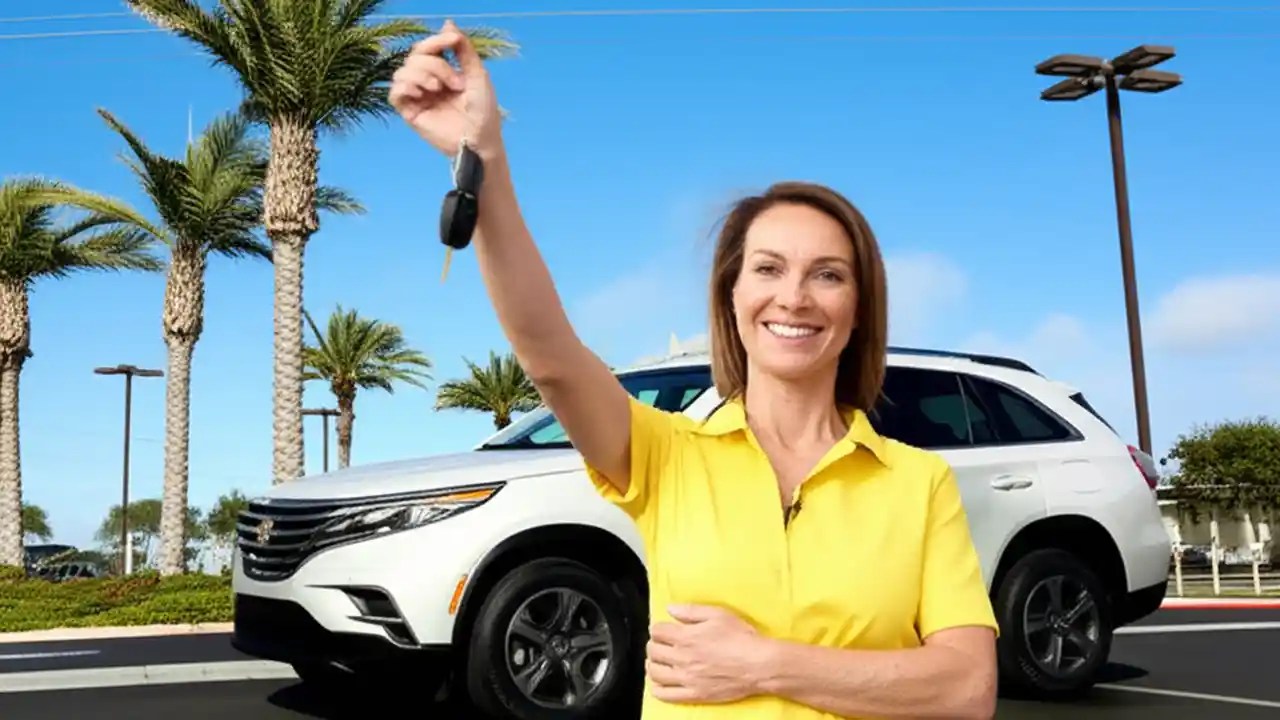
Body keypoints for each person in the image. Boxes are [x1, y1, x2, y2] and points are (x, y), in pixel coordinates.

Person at [390, 21, 999, 720]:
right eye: (768, 269)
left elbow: (966, 689)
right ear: (733, 296)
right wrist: (485, 157)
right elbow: (551, 356)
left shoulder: (921, 487)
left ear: (859, 309)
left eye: (828, 275)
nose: (794, 297)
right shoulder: (667, 455)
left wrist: (764, 663)